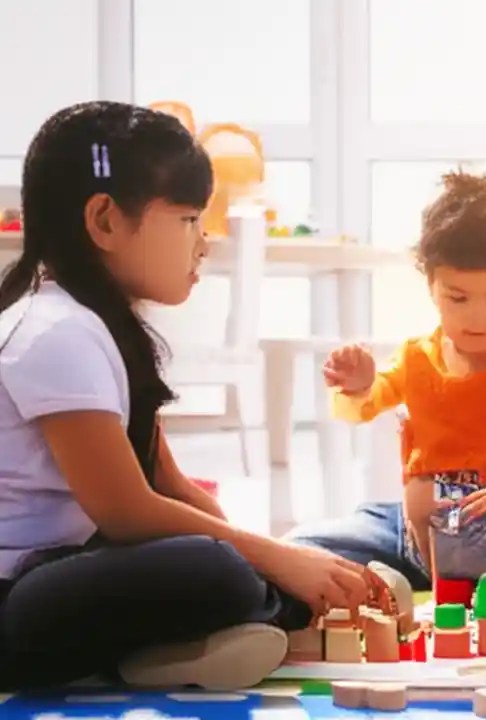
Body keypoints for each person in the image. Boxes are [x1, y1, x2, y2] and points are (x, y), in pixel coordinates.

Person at [0, 102, 369, 691]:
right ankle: (208, 632)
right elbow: (127, 513)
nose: (205, 242)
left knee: (232, 557)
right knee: (214, 568)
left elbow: (166, 485)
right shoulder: (55, 331)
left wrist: (275, 556)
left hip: (65, 570)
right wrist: (273, 563)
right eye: (189, 219)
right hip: (17, 602)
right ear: (105, 221)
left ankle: (177, 648)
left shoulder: (101, 328)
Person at [289, 170, 486, 591]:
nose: (476, 316)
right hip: (410, 531)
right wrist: (357, 385)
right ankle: (393, 578)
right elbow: (365, 405)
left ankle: (427, 585)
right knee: (301, 547)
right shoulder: (417, 356)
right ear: (431, 287)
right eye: (457, 297)